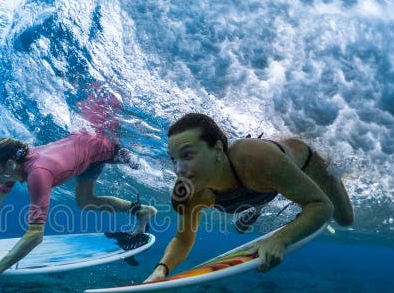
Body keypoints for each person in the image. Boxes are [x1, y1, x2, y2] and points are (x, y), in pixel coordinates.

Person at [0, 85, 156, 280]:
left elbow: (35, 235)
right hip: (84, 146)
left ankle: (144, 196)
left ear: (11, 164)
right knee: (85, 201)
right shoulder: (14, 168)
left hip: (104, 148)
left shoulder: (37, 174)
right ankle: (142, 211)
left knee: (142, 168)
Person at [145, 112, 353, 282]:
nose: (179, 169)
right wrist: (162, 269)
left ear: (218, 149)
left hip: (306, 163)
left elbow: (323, 206)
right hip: (261, 187)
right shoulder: (189, 191)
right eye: (174, 160)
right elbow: (182, 239)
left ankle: (282, 201)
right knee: (261, 190)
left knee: (344, 219)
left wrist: (279, 240)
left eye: (187, 155)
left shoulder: (256, 158)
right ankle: (258, 208)